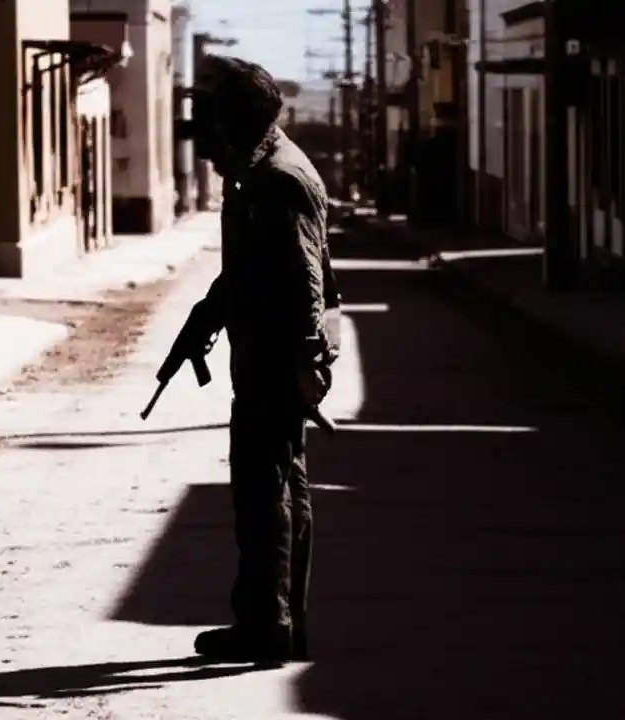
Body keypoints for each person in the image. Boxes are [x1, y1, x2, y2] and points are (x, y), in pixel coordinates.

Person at [178, 55, 339, 664]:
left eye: (212, 129)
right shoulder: (253, 172)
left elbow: (305, 282)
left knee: (263, 491)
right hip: (263, 354)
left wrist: (305, 369)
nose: (205, 148)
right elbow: (244, 270)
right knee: (279, 489)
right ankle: (279, 622)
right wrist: (205, 317)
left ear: (239, 125)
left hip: (276, 361)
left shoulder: (278, 179)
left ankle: (266, 625)